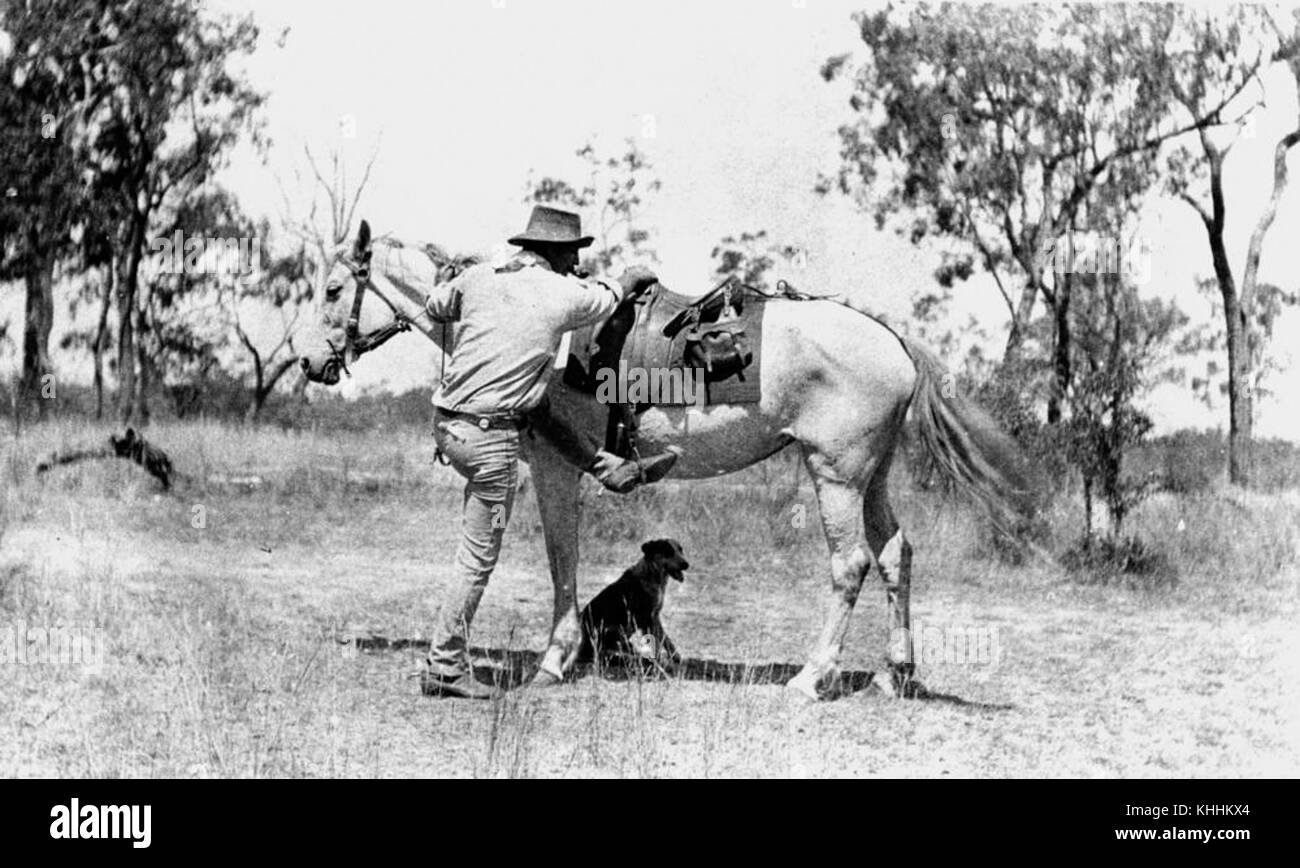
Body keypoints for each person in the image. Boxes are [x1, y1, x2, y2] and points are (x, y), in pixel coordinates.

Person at [420, 205, 678, 699]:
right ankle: (445, 664)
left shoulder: (477, 278)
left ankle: (608, 467)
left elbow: (436, 306)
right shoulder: (564, 292)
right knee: (477, 558)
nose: (574, 262)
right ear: (560, 253)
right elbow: (609, 296)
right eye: (572, 254)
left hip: (449, 429)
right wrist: (632, 275)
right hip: (491, 444)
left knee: (539, 400)